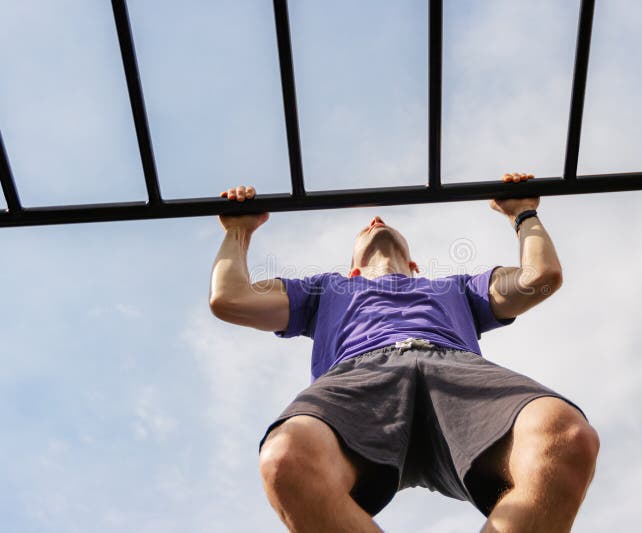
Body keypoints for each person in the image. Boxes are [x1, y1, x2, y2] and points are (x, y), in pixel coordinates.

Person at [209, 174, 599, 533]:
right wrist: (238, 232)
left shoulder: (457, 288)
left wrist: (523, 213)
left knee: (566, 436)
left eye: (379, 221)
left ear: (414, 265)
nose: (375, 218)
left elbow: (541, 277)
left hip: (456, 369)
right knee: (285, 458)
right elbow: (230, 298)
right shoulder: (326, 290)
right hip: (359, 379)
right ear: (352, 271)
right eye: (365, 225)